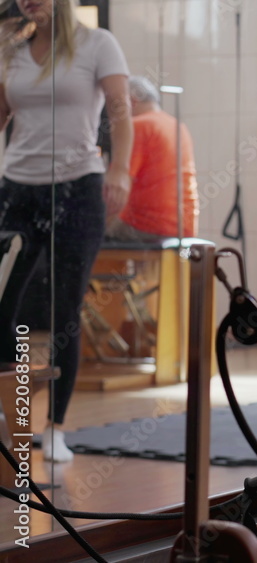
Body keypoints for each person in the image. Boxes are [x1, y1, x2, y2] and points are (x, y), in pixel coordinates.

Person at [0, 0, 132, 462]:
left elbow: (119, 110)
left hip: (77, 189)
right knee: (5, 302)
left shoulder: (99, 44)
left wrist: (120, 169)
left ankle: (55, 426)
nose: (28, 2)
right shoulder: (13, 49)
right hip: (18, 190)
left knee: (64, 307)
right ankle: (13, 407)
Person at [105, 75, 198, 242]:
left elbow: (118, 190)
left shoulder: (138, 126)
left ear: (131, 102)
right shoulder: (178, 126)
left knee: (86, 238)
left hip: (147, 226)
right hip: (184, 227)